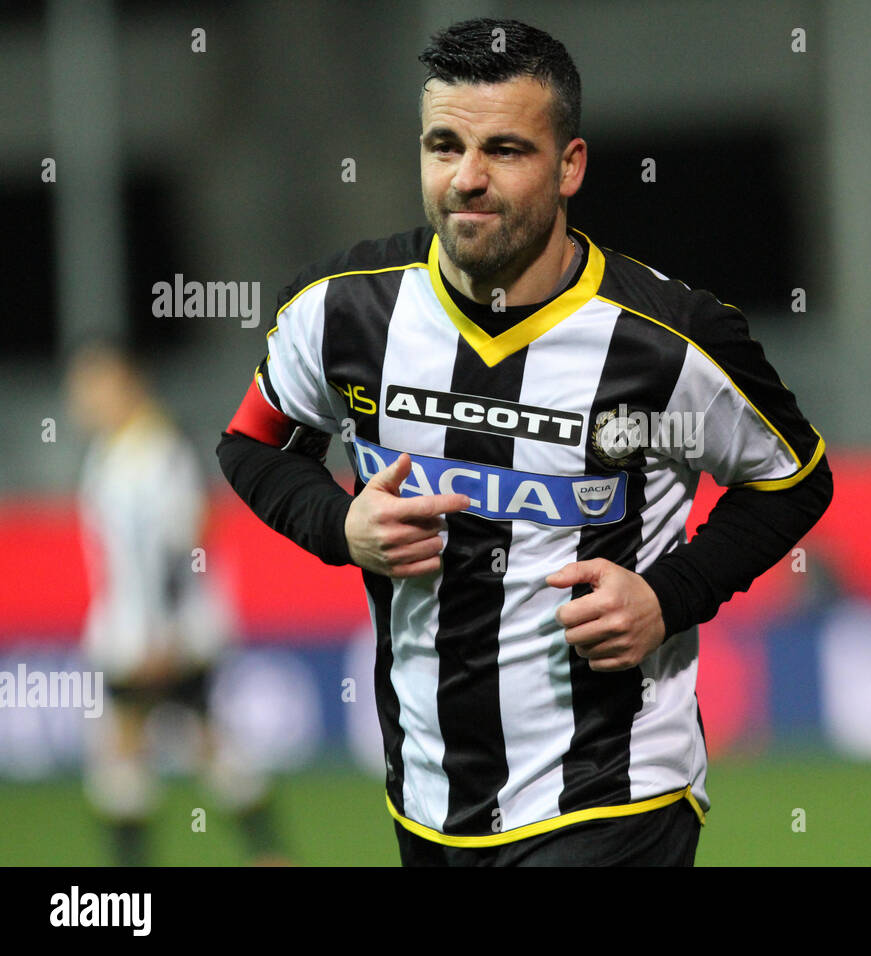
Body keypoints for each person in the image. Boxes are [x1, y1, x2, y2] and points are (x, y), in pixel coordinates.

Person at [217, 17, 832, 866]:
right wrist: (339, 527)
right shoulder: (342, 312)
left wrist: (668, 596)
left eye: (505, 150)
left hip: (616, 793)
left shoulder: (666, 341)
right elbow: (253, 444)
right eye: (444, 146)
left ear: (570, 166)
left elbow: (796, 478)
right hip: (428, 797)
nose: (466, 179)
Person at [67, 342, 287, 865]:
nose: (80, 398)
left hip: (158, 634)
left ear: (124, 382)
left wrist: (157, 632)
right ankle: (270, 853)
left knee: (128, 753)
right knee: (199, 744)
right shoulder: (115, 450)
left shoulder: (155, 455)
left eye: (90, 383)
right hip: (144, 628)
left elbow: (179, 546)